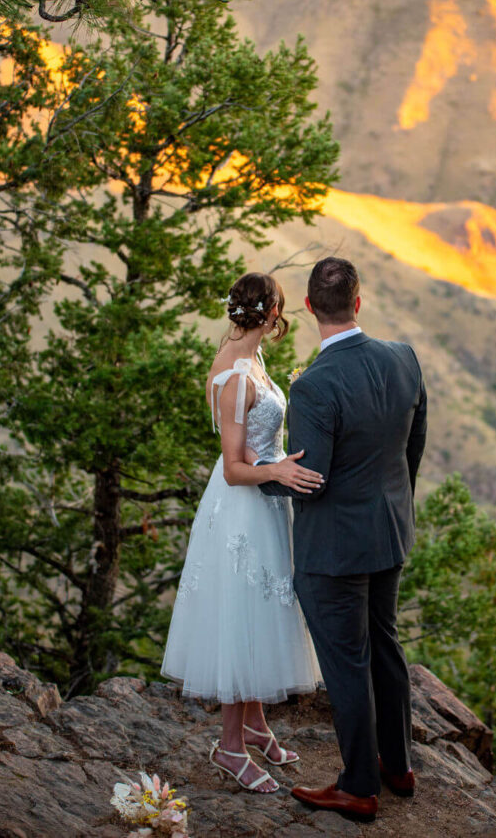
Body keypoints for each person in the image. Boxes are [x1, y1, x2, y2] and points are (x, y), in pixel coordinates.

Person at [260, 256, 427, 823]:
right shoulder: (404, 358)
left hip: (334, 551)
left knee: (348, 663)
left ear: (309, 308)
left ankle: (358, 786)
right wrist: (394, 503)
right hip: (390, 530)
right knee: (385, 643)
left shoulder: (313, 385)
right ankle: (398, 766)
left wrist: (266, 481)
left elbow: (311, 482)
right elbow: (413, 450)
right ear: (358, 303)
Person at [161, 272, 323, 794]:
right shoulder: (236, 372)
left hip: (263, 503)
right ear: (272, 312)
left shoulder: (248, 357)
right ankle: (230, 747)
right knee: (242, 614)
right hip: (241, 507)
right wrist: (275, 470)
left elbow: (249, 442)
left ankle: (254, 724)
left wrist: (272, 461)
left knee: (260, 611)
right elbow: (232, 467)